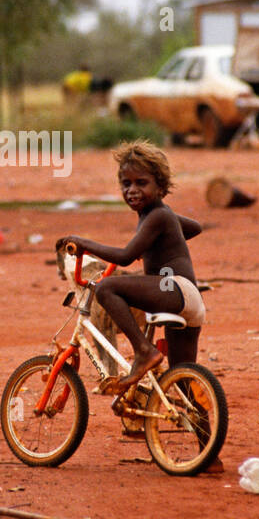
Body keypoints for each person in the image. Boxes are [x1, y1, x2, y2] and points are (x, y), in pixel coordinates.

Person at [58, 140, 205, 397]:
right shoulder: (162, 215)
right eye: (126, 184)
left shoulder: (157, 216)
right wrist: (161, 242)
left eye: (141, 183)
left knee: (106, 288)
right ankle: (206, 432)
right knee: (183, 380)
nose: (132, 190)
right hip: (190, 300)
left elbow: (125, 256)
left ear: (161, 186)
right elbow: (195, 227)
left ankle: (143, 351)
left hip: (172, 288)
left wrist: (83, 243)